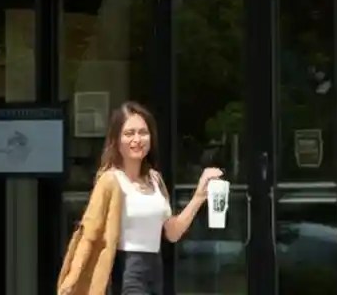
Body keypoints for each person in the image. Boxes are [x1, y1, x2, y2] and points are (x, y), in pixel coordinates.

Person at [58, 101, 223, 295]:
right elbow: (90, 233)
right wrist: (74, 278)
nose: (137, 139)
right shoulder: (110, 180)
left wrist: (199, 195)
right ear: (117, 140)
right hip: (126, 269)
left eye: (143, 132)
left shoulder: (154, 179)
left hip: (155, 268)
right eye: (129, 133)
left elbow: (172, 232)